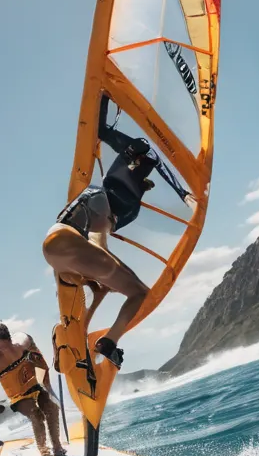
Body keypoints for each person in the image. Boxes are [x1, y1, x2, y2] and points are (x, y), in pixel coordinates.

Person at [42, 96, 190, 370]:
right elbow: (112, 136)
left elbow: (100, 241)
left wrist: (103, 96)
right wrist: (105, 94)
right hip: (67, 242)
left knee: (108, 288)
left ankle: (74, 345)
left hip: (58, 247)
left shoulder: (113, 202)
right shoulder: (120, 201)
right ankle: (107, 342)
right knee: (138, 293)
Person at [0, 321, 66, 456]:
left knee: (52, 407)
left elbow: (36, 353)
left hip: (35, 386)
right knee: (36, 414)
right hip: (19, 396)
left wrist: (46, 381)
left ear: (7, 339)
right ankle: (44, 450)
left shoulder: (22, 344)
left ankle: (57, 447)